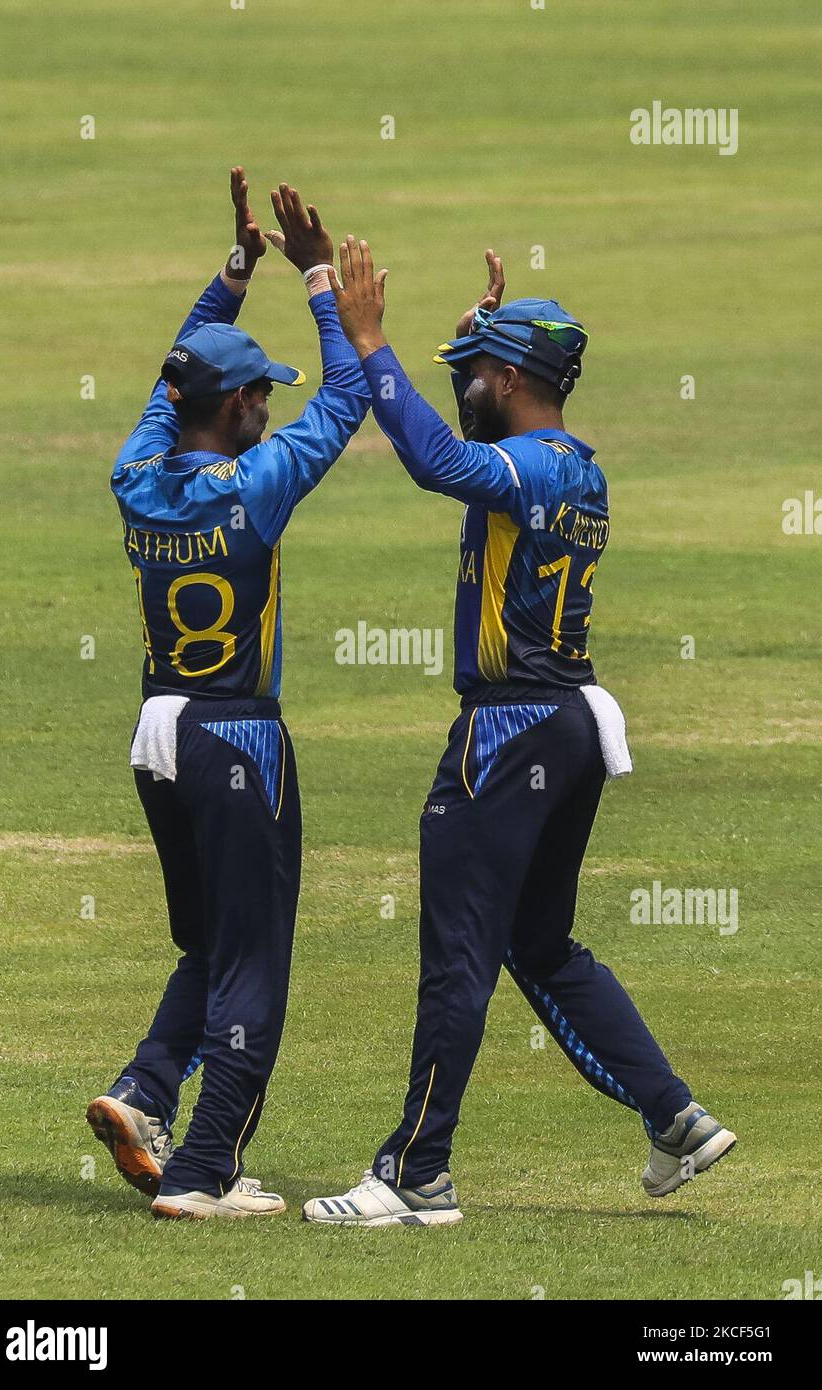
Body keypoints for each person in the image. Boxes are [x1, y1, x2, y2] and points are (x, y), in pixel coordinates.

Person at [302, 238, 736, 1228]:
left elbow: (433, 456)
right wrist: (469, 345)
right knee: (538, 944)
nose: (463, 387)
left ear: (508, 379)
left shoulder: (527, 464)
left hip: (507, 732)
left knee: (458, 949)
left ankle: (417, 1172)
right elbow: (472, 430)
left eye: (474, 374)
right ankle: (672, 1115)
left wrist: (364, 336)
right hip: (570, 721)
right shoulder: (570, 462)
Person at [87, 174, 370, 1220]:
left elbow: (164, 393)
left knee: (209, 943)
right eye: (264, 394)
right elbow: (347, 399)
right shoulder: (257, 487)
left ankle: (143, 1092)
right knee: (255, 958)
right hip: (238, 734)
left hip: (155, 731)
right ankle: (206, 1169)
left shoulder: (138, 478)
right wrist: (314, 280)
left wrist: (232, 280)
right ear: (242, 404)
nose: (273, 406)